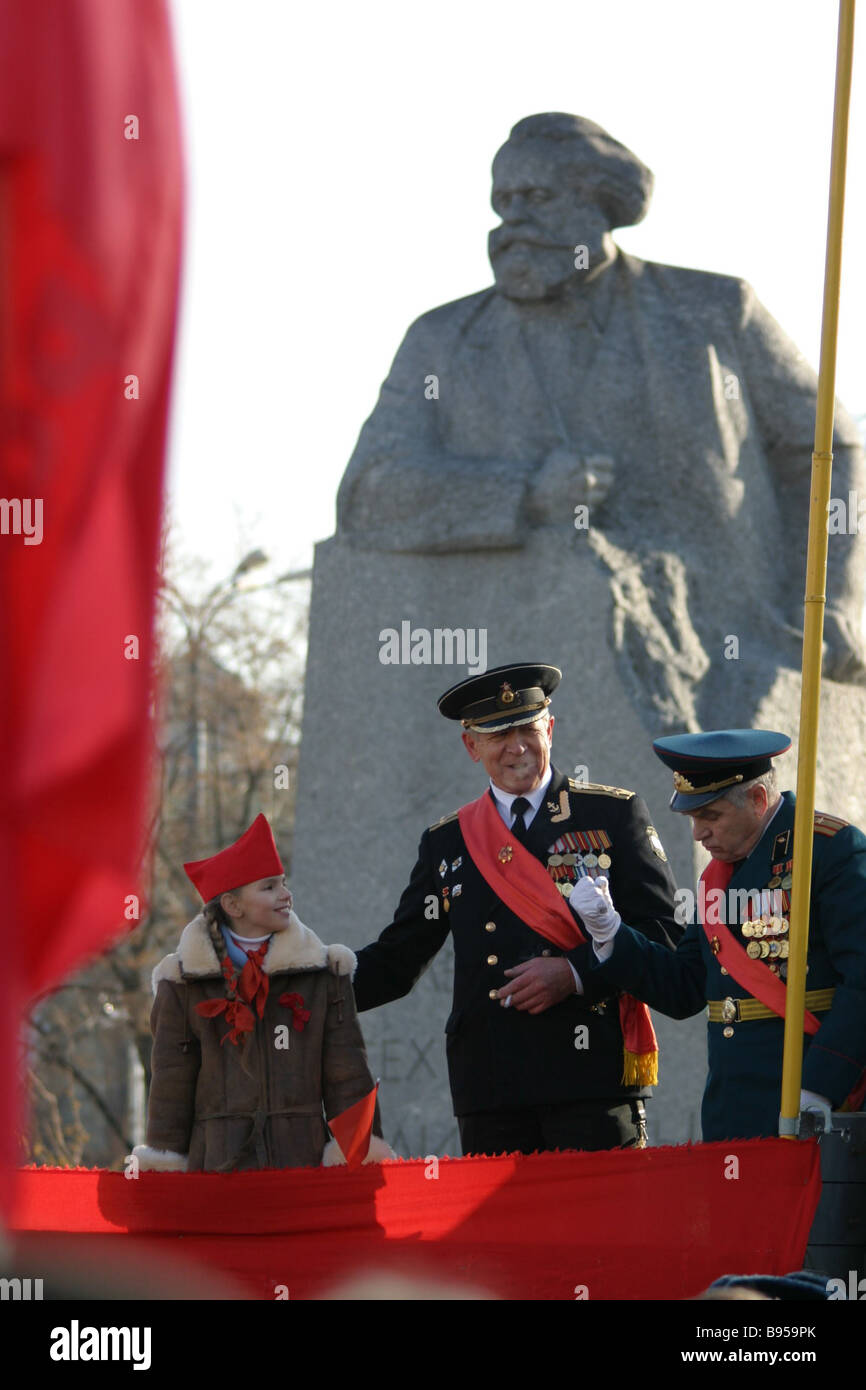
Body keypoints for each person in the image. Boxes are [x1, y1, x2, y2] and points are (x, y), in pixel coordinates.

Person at [336, 112, 866, 724]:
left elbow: (829, 447)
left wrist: (831, 604)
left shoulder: (715, 313)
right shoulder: (442, 341)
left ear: (599, 205)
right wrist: (525, 494)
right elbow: (367, 492)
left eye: (537, 197)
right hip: (531, 672)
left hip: (735, 663)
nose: (513, 221)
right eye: (502, 201)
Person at [352, 662, 681, 1156]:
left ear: (550, 728)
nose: (517, 745)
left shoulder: (612, 814)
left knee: (599, 1232)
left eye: (528, 727)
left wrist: (573, 973)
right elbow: (398, 957)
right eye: (497, 733)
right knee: (500, 1236)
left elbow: (662, 937)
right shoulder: (448, 840)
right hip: (492, 1084)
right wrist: (310, 984)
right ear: (471, 746)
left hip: (589, 1076)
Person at [571, 730, 866, 1141]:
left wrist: (821, 1085)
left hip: (817, 1104)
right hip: (733, 1112)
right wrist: (611, 933)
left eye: (710, 816)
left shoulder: (830, 852)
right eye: (693, 819)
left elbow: (862, 983)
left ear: (759, 802)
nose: (697, 834)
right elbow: (685, 988)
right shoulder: (716, 878)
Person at [132, 814, 392, 1172]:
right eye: (269, 887)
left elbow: (347, 1077)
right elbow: (170, 1090)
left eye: (283, 883)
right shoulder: (182, 984)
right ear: (233, 905)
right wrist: (164, 1168)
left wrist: (360, 1159)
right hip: (217, 1174)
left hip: (301, 1168)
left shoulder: (323, 973)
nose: (286, 895)